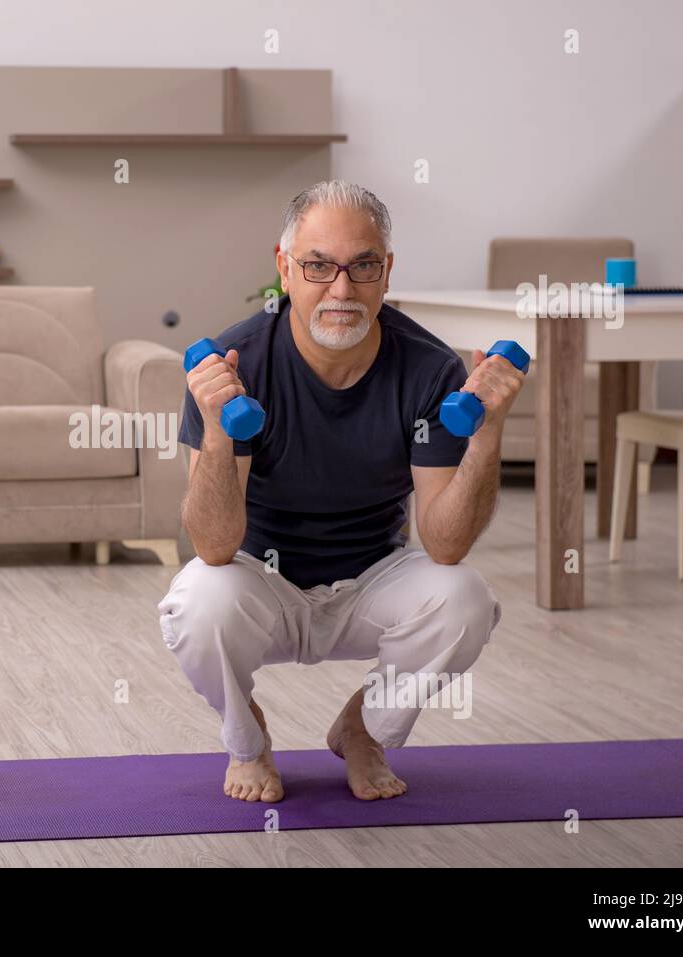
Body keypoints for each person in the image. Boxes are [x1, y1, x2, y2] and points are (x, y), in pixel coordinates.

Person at [157, 180, 524, 802]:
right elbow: (215, 547)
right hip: (260, 584)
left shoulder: (430, 369)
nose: (341, 289)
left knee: (465, 597)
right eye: (318, 265)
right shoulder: (233, 365)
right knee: (199, 598)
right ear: (284, 268)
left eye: (362, 266)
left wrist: (487, 438)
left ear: (387, 271)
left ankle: (363, 729)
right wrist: (219, 434)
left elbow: (446, 544)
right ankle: (248, 741)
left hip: (370, 583)